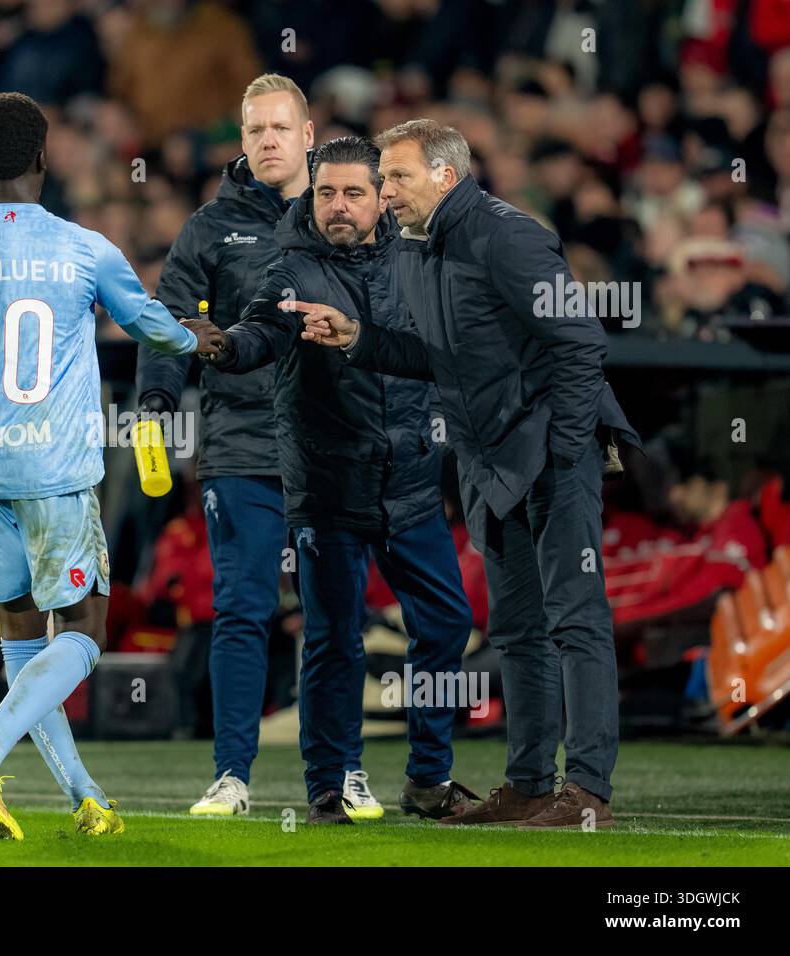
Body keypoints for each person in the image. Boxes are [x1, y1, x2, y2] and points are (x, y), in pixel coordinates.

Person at [293, 118, 641, 829]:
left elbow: (580, 344)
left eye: (397, 177)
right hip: (489, 461)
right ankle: (529, 784)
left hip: (548, 448)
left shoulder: (508, 235)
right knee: (516, 629)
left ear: (445, 176)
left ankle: (590, 792)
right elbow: (436, 357)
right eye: (384, 179)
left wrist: (570, 448)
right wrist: (359, 338)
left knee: (575, 616)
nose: (385, 193)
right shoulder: (418, 253)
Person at [0, 92, 223, 840]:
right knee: (82, 630)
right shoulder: (83, 247)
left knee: (21, 640)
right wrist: (198, 338)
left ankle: (86, 796)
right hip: (55, 469)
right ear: (44, 158)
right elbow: (148, 324)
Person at [203, 137, 478, 825]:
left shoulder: (417, 261)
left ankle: (428, 777)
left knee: (447, 622)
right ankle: (329, 782)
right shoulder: (291, 270)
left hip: (410, 482)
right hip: (329, 489)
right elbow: (264, 329)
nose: (339, 207)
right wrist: (227, 346)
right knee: (333, 638)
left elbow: (442, 354)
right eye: (326, 193)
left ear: (381, 196)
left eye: (354, 193)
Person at [137, 72, 316, 817]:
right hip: (240, 446)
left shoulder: (347, 212)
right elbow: (168, 321)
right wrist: (153, 403)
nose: (267, 140)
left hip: (331, 446)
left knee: (337, 614)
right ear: (242, 140)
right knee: (241, 608)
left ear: (309, 134)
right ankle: (232, 775)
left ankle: (337, 778)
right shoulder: (210, 227)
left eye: (280, 127)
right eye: (254, 130)